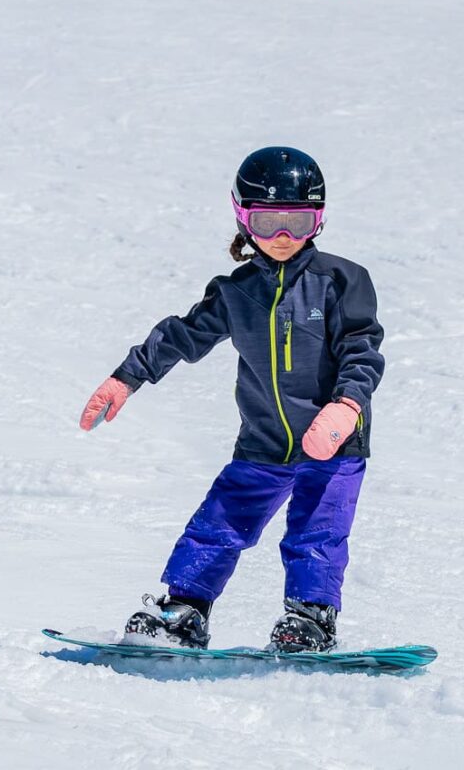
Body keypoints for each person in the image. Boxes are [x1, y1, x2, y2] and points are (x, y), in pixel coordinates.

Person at [78, 146, 384, 652]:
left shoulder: (341, 281)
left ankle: (310, 619)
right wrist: (127, 377)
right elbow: (183, 335)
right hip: (261, 441)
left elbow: (362, 350)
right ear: (244, 219)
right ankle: (184, 612)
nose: (282, 237)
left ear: (318, 220)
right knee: (217, 525)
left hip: (333, 444)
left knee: (316, 534)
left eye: (297, 221)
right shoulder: (236, 291)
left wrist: (346, 406)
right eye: (267, 222)